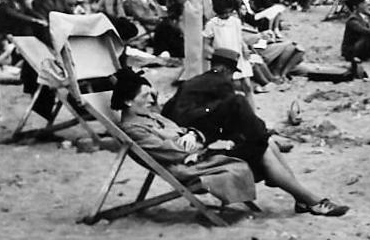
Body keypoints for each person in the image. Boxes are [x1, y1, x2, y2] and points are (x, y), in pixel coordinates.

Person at [122, 64, 347, 216]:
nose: (152, 100)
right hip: (194, 165)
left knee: (262, 144)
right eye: (144, 97)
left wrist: (194, 134)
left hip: (200, 153)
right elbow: (172, 151)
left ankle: (306, 199)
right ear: (128, 102)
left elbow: (182, 132)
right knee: (261, 146)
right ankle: (311, 200)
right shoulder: (134, 130)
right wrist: (203, 143)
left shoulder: (149, 116)